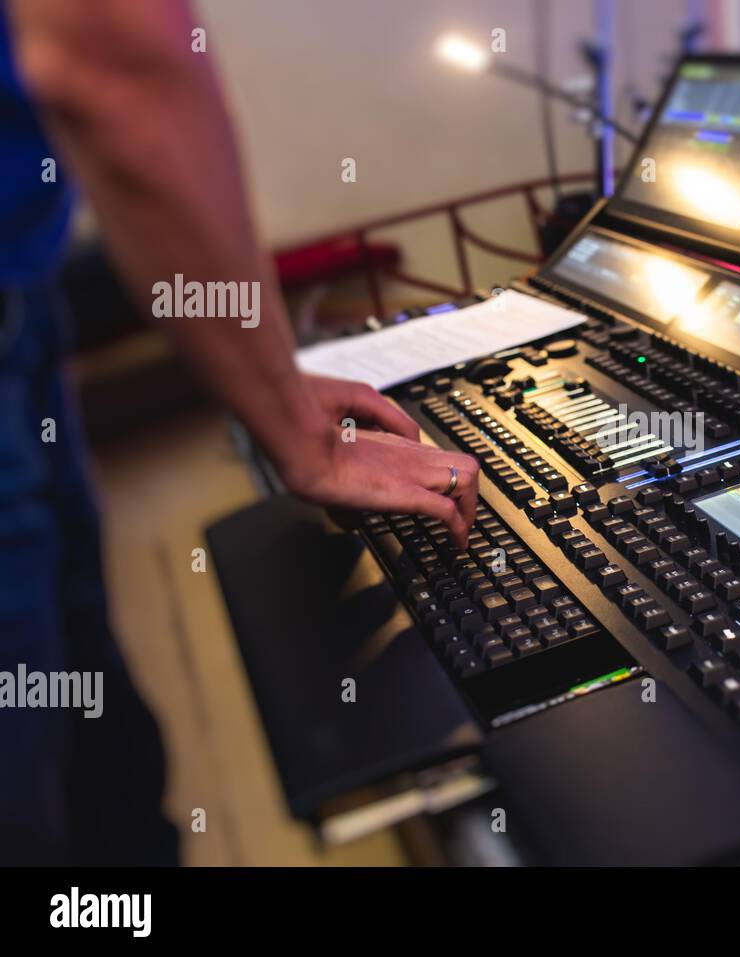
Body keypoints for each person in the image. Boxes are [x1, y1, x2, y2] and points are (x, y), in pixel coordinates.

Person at [0, 0, 480, 863]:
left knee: (87, 738)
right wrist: (301, 431)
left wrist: (271, 380)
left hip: (21, 309)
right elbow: (113, 51)